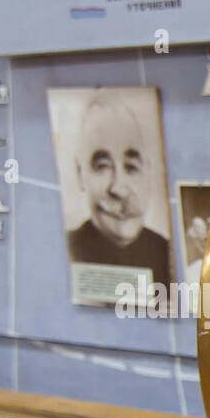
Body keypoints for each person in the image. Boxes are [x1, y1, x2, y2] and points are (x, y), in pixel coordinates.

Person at [66, 93, 171, 285]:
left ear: (148, 171)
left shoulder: (168, 253)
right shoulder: (67, 251)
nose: (119, 189)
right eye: (102, 167)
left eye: (131, 166)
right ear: (80, 174)